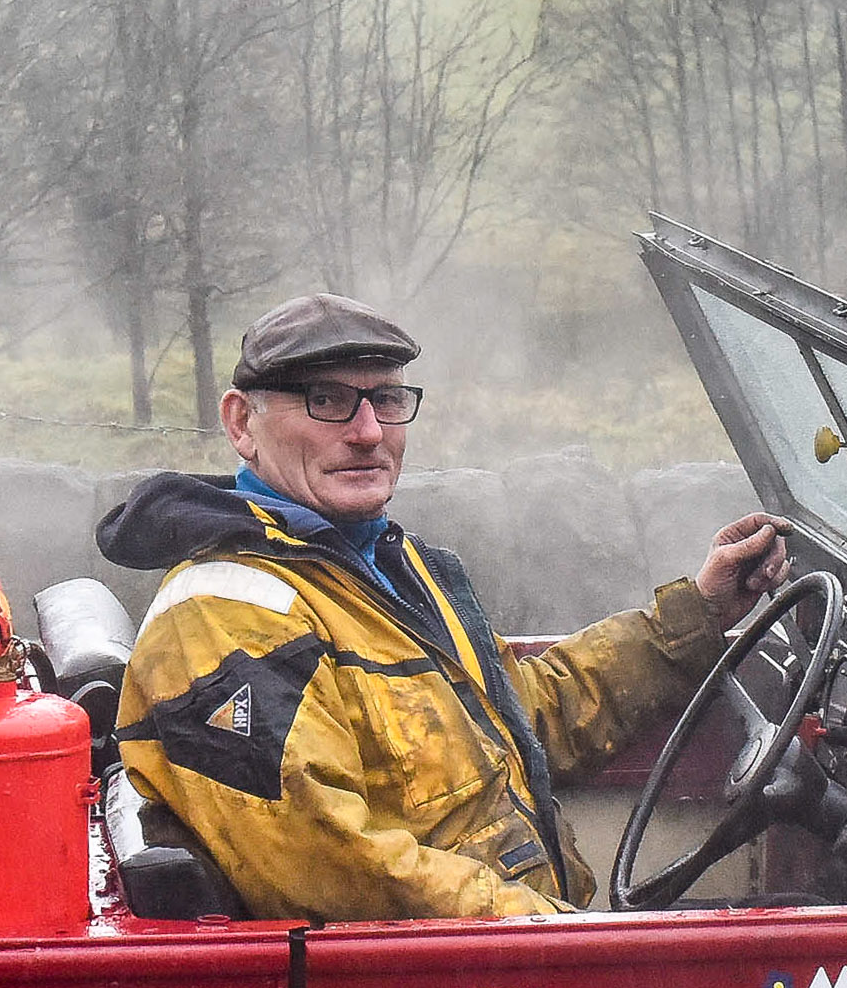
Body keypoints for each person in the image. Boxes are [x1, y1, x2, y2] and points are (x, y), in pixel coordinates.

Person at [95, 292, 790, 921]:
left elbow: (524, 715)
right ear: (242, 422)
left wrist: (701, 613)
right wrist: (553, 928)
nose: (368, 431)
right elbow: (336, 866)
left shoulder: (390, 567)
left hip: (513, 959)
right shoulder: (223, 618)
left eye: (387, 400)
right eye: (328, 400)